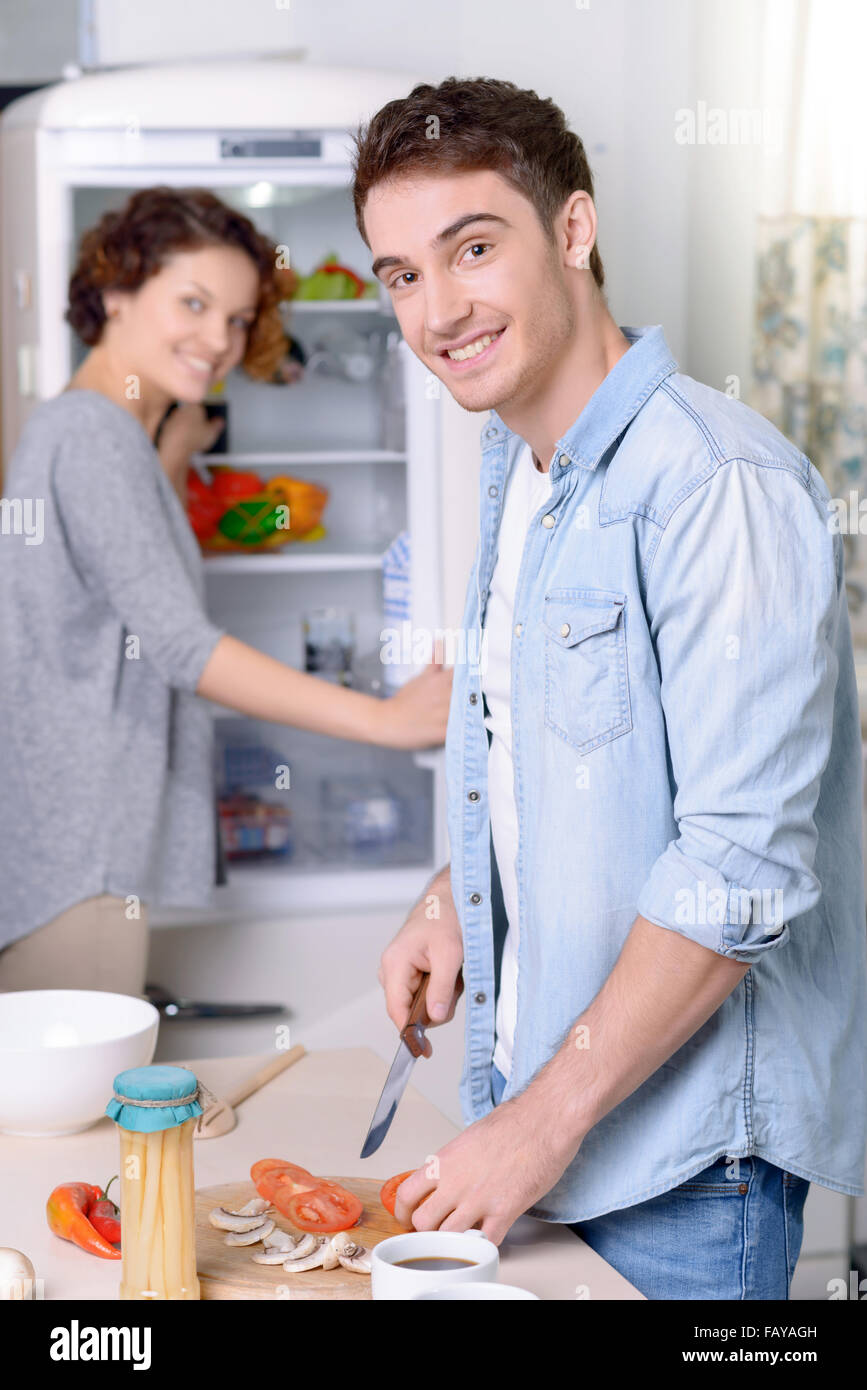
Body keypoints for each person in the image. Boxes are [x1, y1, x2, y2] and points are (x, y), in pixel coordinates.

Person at [357, 76, 867, 1300]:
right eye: (401, 275)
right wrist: (452, 892)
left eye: (471, 248)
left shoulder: (715, 483)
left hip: (685, 1175)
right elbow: (549, 750)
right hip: (556, 1136)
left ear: (572, 232)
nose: (436, 310)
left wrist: (538, 1124)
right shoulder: (521, 467)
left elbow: (742, 871)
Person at [0, 186, 452, 997]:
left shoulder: (92, 427)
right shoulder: (94, 440)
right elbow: (180, 647)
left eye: (238, 318)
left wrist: (172, 451)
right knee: (83, 1113)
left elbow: (116, 590)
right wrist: (386, 722)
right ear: (115, 293)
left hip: (63, 836)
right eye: (193, 303)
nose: (219, 339)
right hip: (82, 856)